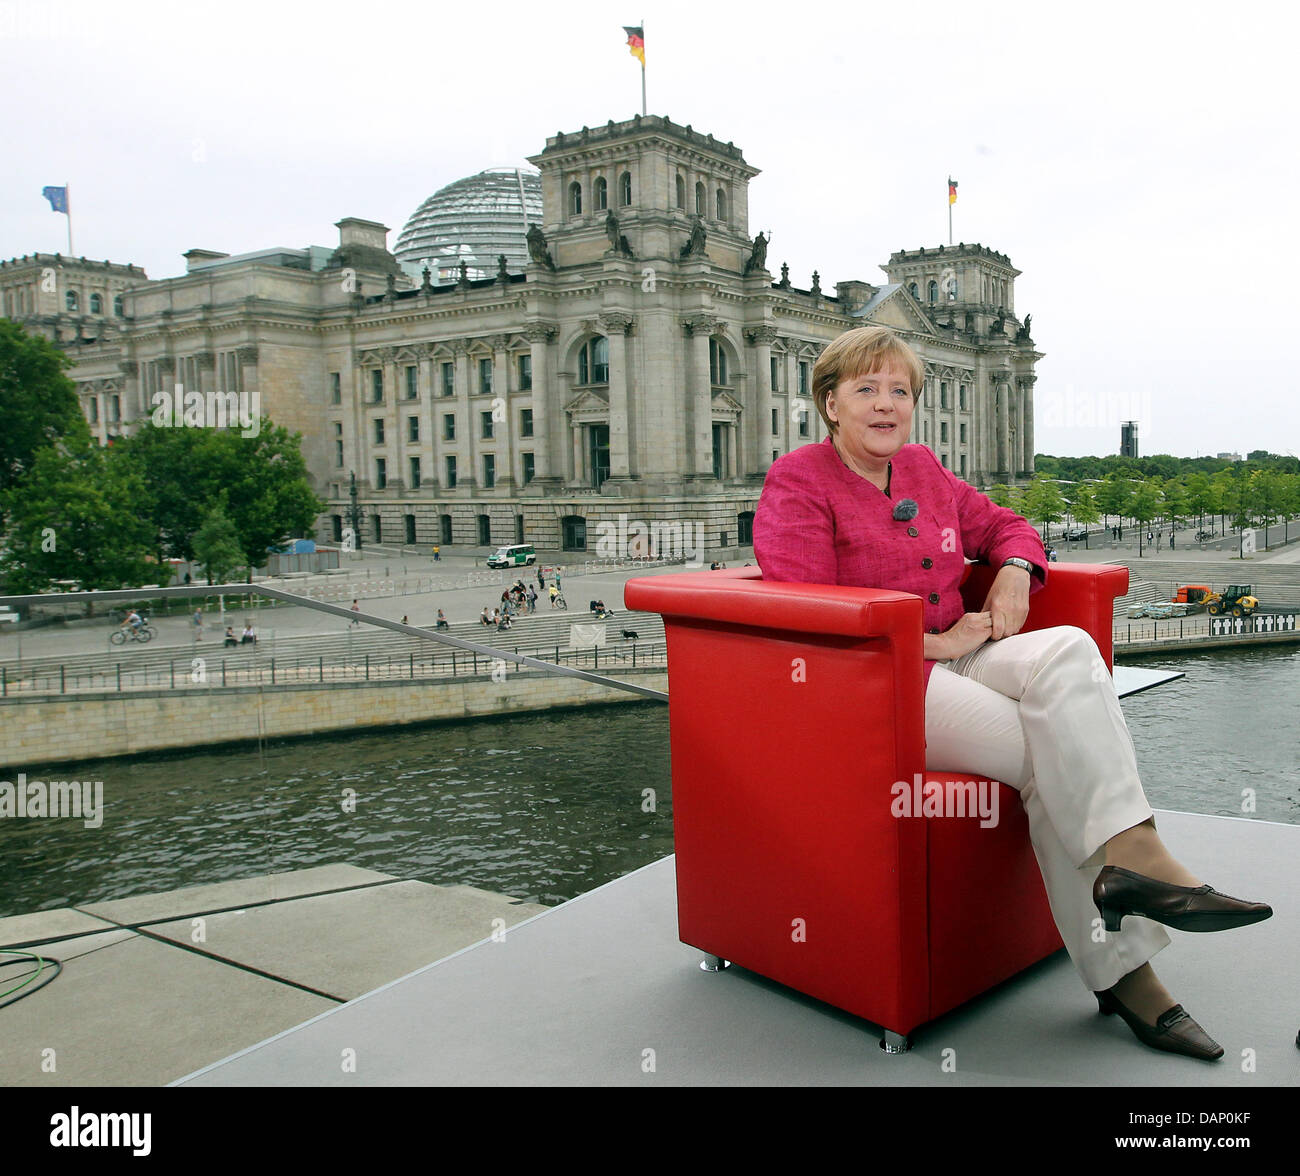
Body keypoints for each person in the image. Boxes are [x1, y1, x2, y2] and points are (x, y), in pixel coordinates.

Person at [751, 324, 1271, 1062]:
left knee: (1069, 650)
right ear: (829, 403)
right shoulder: (799, 480)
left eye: (900, 390)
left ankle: (1137, 863)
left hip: (961, 653)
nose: (885, 404)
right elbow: (811, 612)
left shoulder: (924, 469)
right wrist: (932, 643)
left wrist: (1016, 570)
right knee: (1046, 751)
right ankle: (1129, 974)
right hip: (878, 680)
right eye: (865, 388)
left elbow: (1007, 525)